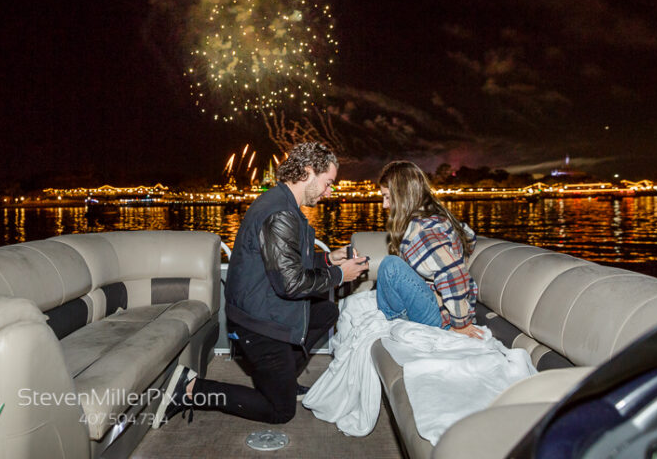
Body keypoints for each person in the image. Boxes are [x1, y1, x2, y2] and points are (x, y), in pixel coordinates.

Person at [153, 142, 369, 426]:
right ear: (307, 172)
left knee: (327, 312)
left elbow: (286, 262)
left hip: (264, 306)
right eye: (328, 183)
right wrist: (341, 275)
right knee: (280, 411)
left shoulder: (279, 201)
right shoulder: (281, 213)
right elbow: (290, 283)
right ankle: (191, 390)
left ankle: (283, 382)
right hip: (258, 322)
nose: (331, 191)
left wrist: (329, 259)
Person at [376, 160, 484, 339]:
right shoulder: (437, 217)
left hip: (441, 318)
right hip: (442, 307)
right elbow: (469, 237)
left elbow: (453, 275)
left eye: (387, 197)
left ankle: (393, 322)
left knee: (391, 267)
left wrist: (460, 324)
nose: (384, 205)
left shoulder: (422, 232)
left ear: (403, 195)